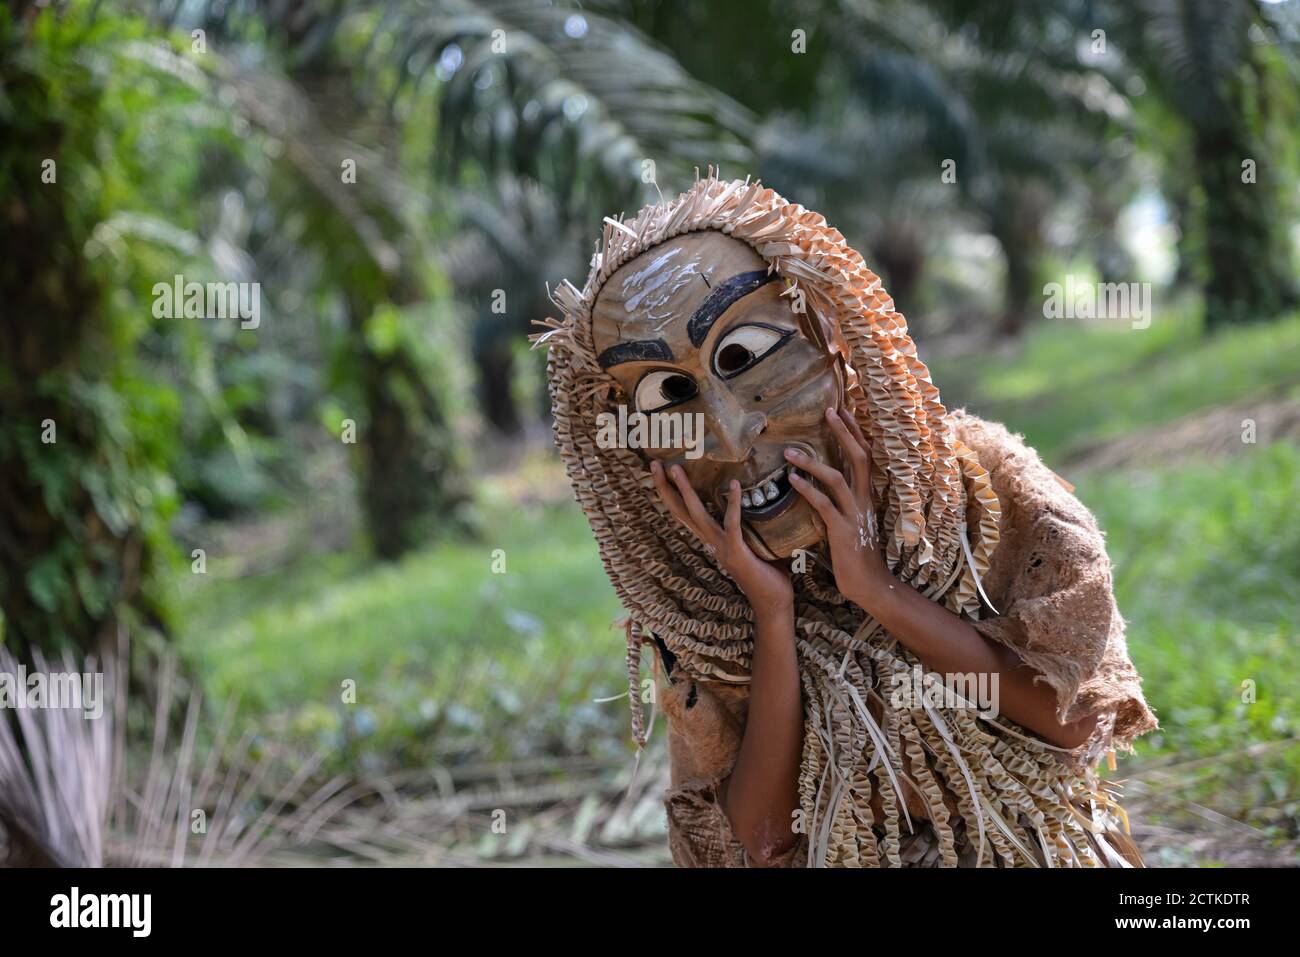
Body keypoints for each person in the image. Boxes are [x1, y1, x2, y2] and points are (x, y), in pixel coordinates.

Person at [534, 174, 1157, 867]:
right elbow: (754, 847)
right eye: (669, 394)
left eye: (743, 355)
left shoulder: (990, 494)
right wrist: (771, 616)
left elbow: (1076, 723)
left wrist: (877, 589)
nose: (731, 435)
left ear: (829, 331)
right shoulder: (707, 616)